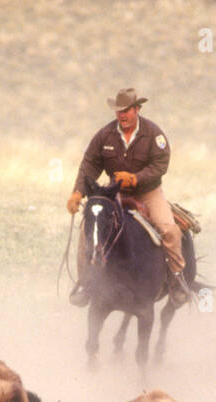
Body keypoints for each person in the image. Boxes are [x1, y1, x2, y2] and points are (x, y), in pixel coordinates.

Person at [66, 88, 188, 306]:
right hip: (115, 193)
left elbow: (160, 165)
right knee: (88, 229)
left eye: (126, 111)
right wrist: (78, 192)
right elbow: (90, 164)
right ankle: (86, 283)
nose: (122, 115)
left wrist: (135, 178)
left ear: (137, 109)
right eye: (118, 111)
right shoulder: (105, 135)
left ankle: (176, 279)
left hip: (148, 192)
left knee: (170, 230)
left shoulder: (153, 134)